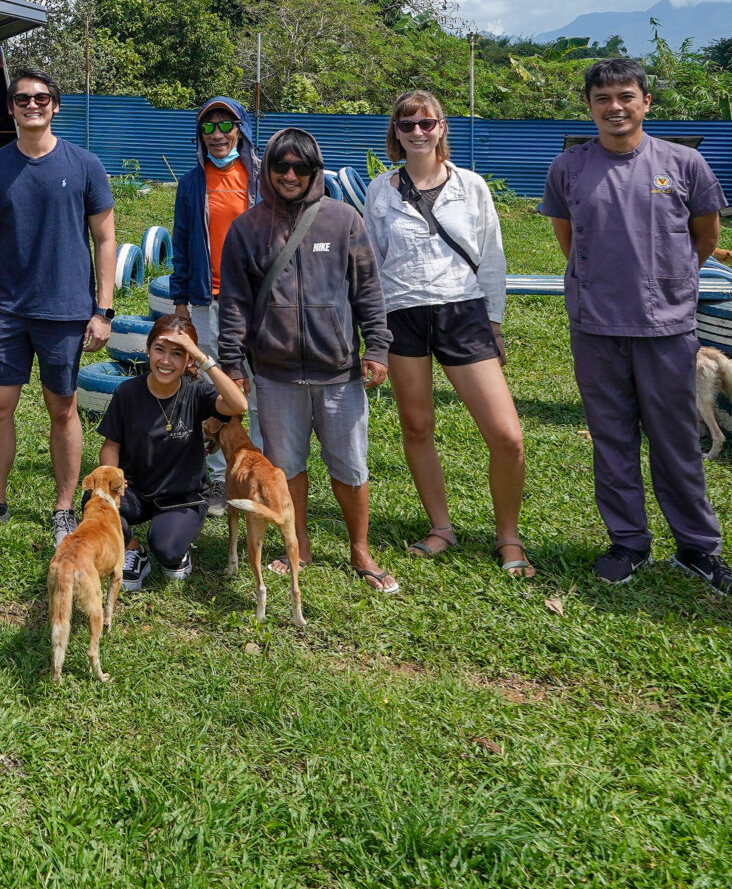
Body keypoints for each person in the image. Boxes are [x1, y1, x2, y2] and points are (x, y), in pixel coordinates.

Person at [540, 58, 732, 597]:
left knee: (675, 439)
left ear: (646, 102)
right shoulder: (569, 168)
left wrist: (666, 283)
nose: (615, 107)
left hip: (666, 327)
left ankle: (697, 549)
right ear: (589, 106)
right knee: (612, 438)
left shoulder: (683, 163)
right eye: (603, 98)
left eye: (626, 96)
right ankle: (628, 543)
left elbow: (706, 239)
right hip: (596, 324)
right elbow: (569, 240)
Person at [216, 128, 395, 591]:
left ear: (316, 170)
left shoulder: (344, 220)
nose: (291, 175)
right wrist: (232, 364)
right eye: (281, 166)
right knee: (287, 467)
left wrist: (377, 346)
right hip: (274, 374)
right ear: (268, 170)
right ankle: (300, 545)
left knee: (350, 467)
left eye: (302, 167)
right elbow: (233, 304)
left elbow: (369, 289)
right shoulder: (247, 228)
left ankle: (360, 549)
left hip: (338, 372)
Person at [361, 91, 528, 577]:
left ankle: (509, 536)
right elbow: (370, 264)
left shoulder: (471, 186)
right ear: (395, 132)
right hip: (402, 314)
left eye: (426, 123)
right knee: (417, 426)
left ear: (441, 128)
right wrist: (373, 334)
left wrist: (494, 322)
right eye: (407, 124)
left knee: (507, 435)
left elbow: (492, 257)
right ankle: (441, 527)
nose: (417, 132)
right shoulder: (380, 191)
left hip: (463, 311)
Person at [0, 67, 116, 545]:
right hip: (6, 309)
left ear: (55, 106)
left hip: (66, 310)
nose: (32, 105)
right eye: (22, 98)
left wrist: (103, 310)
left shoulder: (84, 164)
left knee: (62, 409)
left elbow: (105, 239)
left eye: (41, 98)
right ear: (10, 109)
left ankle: (65, 509)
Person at [99, 311, 248, 589]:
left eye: (178, 354)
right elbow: (111, 446)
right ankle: (132, 549)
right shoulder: (127, 393)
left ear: (189, 360)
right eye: (160, 350)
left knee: (167, 551)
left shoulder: (197, 392)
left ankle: (174, 546)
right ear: (148, 350)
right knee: (95, 498)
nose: (166, 361)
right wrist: (111, 476)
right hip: (136, 492)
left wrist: (203, 359)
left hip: (183, 497)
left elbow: (239, 405)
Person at [171, 95, 259, 515]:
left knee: (257, 387)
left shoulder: (261, 177)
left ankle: (258, 471)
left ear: (241, 130)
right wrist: (181, 301)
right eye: (208, 127)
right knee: (215, 388)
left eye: (226, 125)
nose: (218, 135)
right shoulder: (192, 183)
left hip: (257, 303)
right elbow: (182, 242)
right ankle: (220, 477)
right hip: (208, 301)